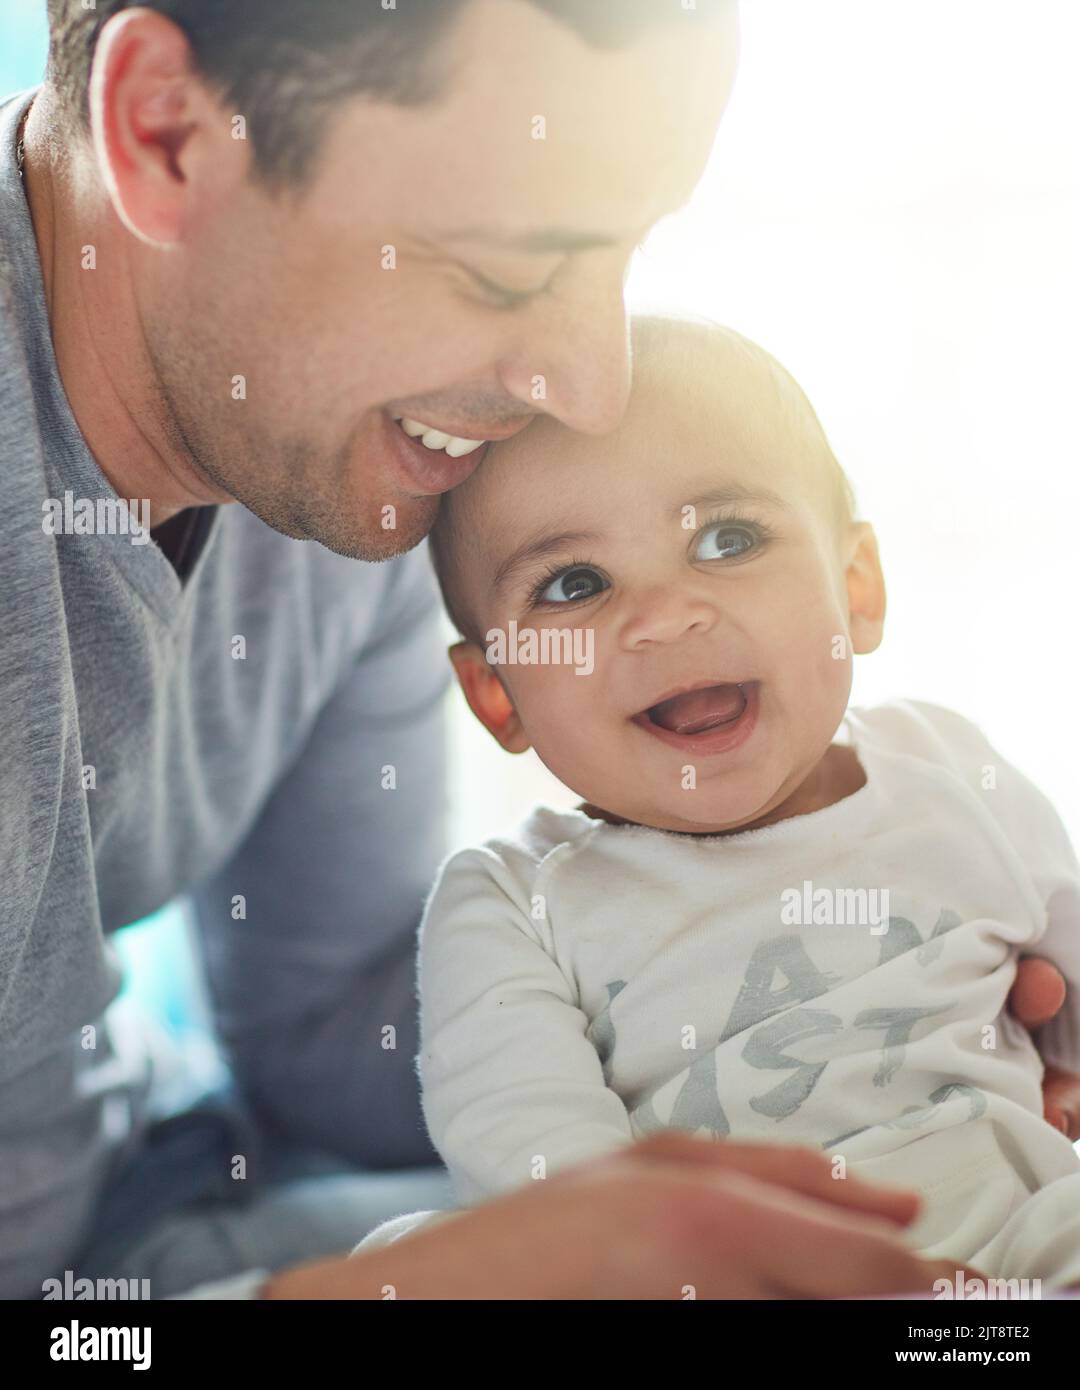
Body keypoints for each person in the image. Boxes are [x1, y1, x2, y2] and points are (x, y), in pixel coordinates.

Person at [0, 0, 1073, 1302]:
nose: (589, 384)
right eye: (508, 272)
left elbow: (313, 1023)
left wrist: (875, 1023)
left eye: (622, 254)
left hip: (160, 1195)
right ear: (167, 133)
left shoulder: (350, 470)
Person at [356, 317, 1080, 1288]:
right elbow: (541, 1172)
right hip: (723, 1273)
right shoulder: (510, 901)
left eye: (729, 538)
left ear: (857, 586)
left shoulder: (945, 765)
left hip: (1023, 1229)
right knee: (400, 1266)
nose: (665, 613)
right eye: (575, 584)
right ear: (497, 691)